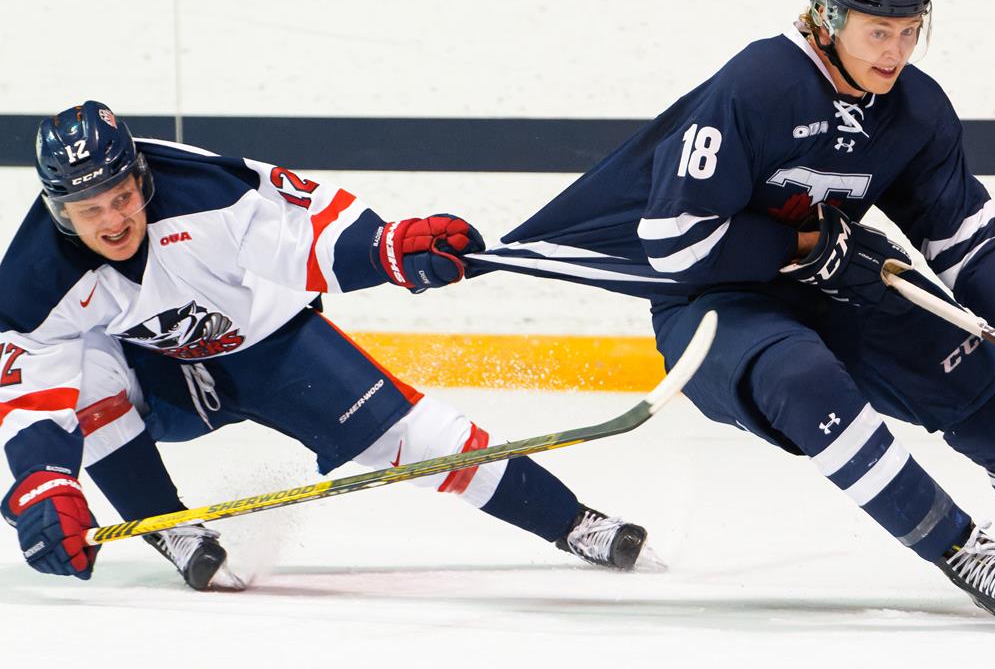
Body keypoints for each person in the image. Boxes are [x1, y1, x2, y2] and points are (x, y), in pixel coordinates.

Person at [477, 0, 995, 629]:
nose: (897, 51)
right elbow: (675, 242)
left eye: (910, 30)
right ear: (826, 15)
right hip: (713, 305)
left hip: (833, 274)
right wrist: (802, 240)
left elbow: (963, 234)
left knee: (973, 383)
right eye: (879, 31)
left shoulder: (916, 110)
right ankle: (961, 546)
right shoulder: (756, 87)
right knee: (804, 380)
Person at [0, 102, 646, 591]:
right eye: (91, 210)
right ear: (59, 209)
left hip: (270, 344)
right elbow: (33, 384)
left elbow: (301, 230)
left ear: (140, 176)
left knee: (424, 439)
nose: (115, 219)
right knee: (84, 369)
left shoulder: (203, 191)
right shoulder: (35, 277)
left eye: (122, 196)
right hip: (160, 377)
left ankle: (576, 523)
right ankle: (166, 523)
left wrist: (386, 247)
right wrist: (41, 479)